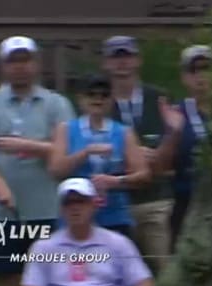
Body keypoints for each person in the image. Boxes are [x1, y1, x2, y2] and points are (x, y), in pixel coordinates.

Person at [0, 36, 75, 286]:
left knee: (48, 278)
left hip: (46, 209)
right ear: (2, 66)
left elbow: (71, 152)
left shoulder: (57, 105)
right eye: (13, 61)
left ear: (37, 63)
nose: (20, 67)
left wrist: (31, 147)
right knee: (6, 279)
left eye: (25, 60)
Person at [101, 36, 174, 273]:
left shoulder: (159, 98)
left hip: (157, 199)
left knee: (164, 270)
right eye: (116, 57)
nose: (122, 62)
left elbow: (176, 144)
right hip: (116, 203)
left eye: (127, 56)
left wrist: (156, 153)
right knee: (117, 274)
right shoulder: (98, 103)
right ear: (106, 63)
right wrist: (131, 154)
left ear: (138, 60)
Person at [48, 75, 151, 238]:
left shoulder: (124, 132)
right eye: (92, 94)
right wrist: (85, 153)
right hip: (75, 215)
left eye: (104, 95)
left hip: (114, 215)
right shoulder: (66, 129)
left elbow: (144, 175)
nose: (98, 99)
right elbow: (56, 170)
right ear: (81, 99)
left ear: (111, 100)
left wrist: (116, 181)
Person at [21, 178, 153, 286]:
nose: (75, 207)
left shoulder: (118, 243)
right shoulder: (43, 247)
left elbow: (143, 283)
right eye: (68, 202)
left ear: (94, 205)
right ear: (61, 209)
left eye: (81, 201)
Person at [152, 45, 212, 250]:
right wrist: (174, 133)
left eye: (206, 68)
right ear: (184, 77)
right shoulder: (176, 113)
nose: (200, 76)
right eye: (193, 70)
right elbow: (159, 168)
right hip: (187, 202)